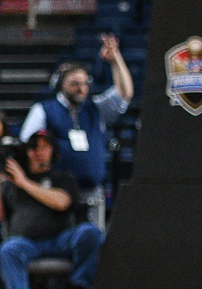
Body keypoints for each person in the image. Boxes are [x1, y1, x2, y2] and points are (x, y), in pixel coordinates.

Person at [0, 131, 101, 289]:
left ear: (53, 151)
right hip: (27, 244)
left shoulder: (61, 177)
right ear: (27, 152)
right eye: (34, 147)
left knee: (90, 233)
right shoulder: (11, 184)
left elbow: (62, 202)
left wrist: (25, 183)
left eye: (44, 147)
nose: (39, 152)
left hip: (61, 239)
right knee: (8, 250)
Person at [20, 36, 134, 221]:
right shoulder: (43, 110)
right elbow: (27, 145)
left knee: (94, 236)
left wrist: (115, 60)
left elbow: (125, 93)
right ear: (61, 85)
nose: (81, 88)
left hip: (93, 193)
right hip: (58, 193)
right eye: (74, 83)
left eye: (84, 84)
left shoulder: (95, 108)